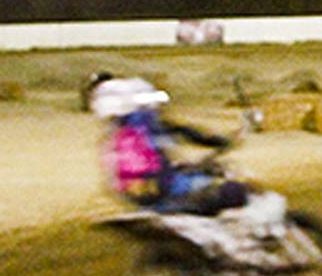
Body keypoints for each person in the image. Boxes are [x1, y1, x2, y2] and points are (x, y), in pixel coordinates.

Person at [87, 77, 246, 215]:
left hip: (155, 189)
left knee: (210, 173)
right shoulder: (137, 132)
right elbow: (147, 182)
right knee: (233, 190)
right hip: (163, 194)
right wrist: (221, 142)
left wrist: (219, 143)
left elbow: (184, 133)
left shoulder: (117, 135)